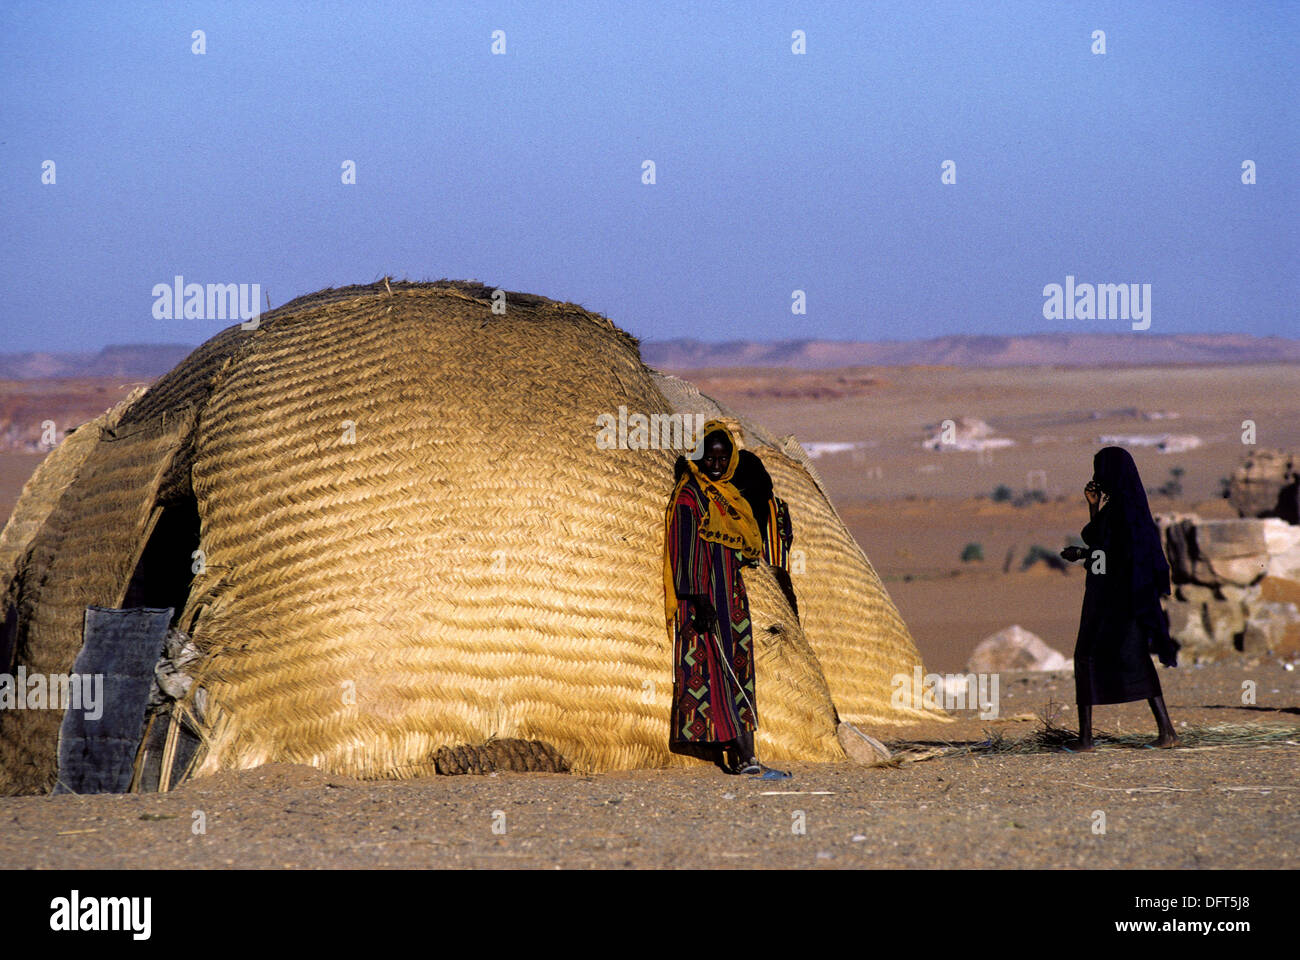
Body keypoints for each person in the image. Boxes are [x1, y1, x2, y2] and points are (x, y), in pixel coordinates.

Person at [663, 419, 793, 779]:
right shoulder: (690, 496)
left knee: (739, 670)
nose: (716, 465)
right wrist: (699, 599)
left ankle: (748, 756)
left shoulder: (727, 496)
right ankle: (744, 757)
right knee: (715, 675)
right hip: (703, 600)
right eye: (711, 458)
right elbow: (682, 549)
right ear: (700, 457)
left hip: (731, 598)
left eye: (723, 459)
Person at [1060, 446, 1180, 750]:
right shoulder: (1126, 509)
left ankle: (1086, 740)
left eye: (1100, 471)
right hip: (1115, 597)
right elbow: (1103, 545)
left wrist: (1086, 551)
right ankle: (1166, 732)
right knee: (1132, 657)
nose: (1096, 477)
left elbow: (1113, 552)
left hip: (1115, 600)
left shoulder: (1123, 511)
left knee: (1087, 656)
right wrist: (1092, 517)